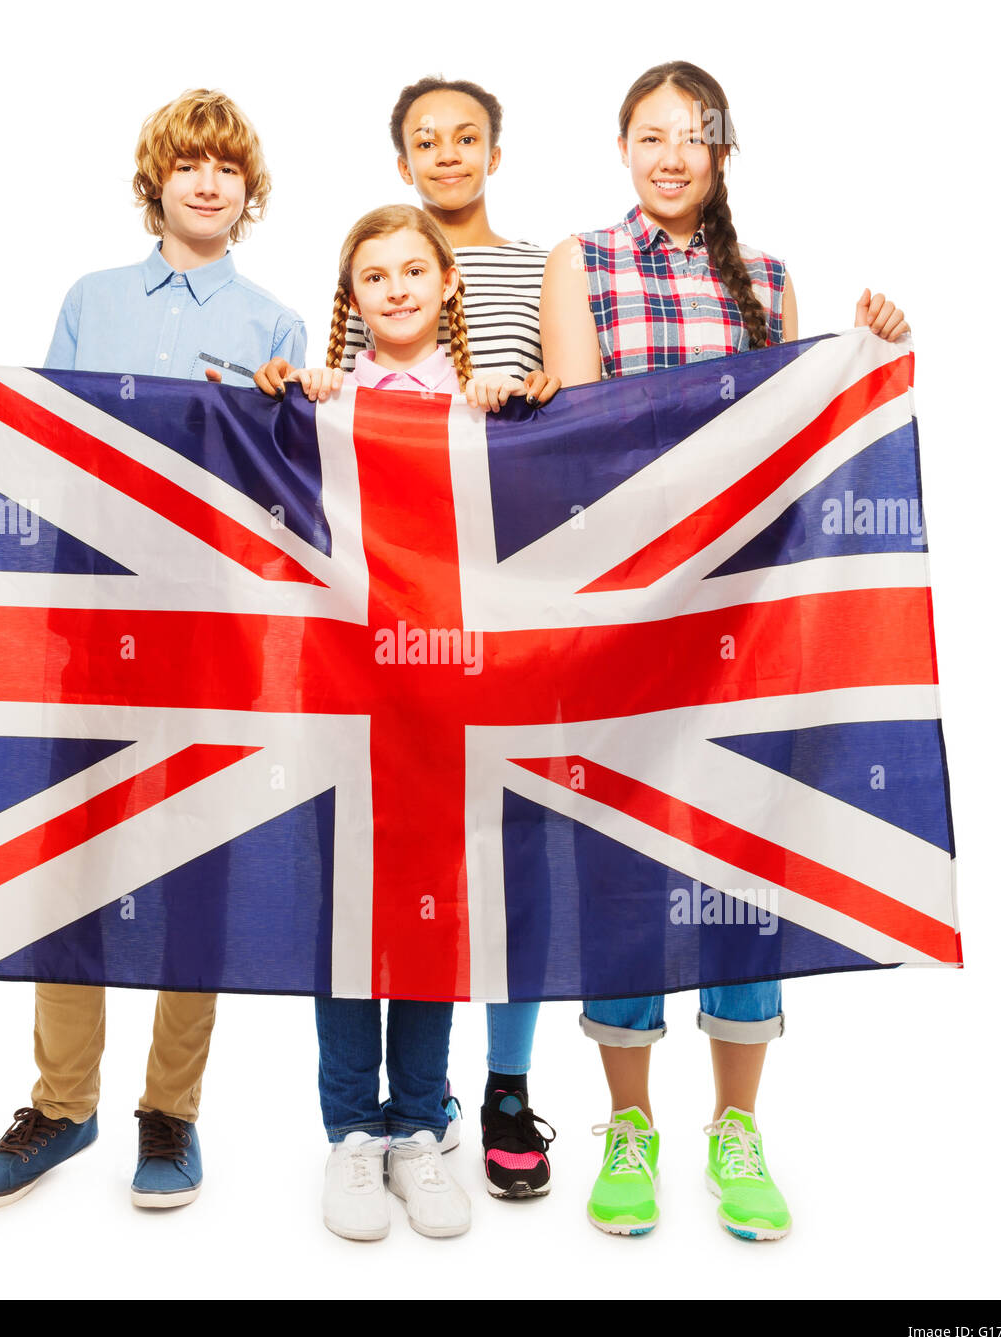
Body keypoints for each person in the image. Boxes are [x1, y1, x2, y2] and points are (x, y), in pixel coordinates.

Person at [540, 59, 909, 1241]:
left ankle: (735, 1127)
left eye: (692, 137)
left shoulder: (769, 280)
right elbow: (578, 445)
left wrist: (856, 355)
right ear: (622, 147)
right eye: (650, 135)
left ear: (721, 153)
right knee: (625, 857)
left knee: (744, 855)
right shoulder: (579, 264)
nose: (670, 155)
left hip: (737, 622)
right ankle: (631, 1124)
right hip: (621, 615)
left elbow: (781, 449)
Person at [0, 87, 306, 1213]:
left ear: (248, 194)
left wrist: (275, 419)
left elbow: (287, 499)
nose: (208, 183)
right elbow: (45, 449)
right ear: (157, 180)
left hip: (212, 631)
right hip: (94, 629)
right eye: (189, 165)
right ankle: (61, 1104)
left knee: (194, 861)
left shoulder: (275, 328)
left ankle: (171, 1110)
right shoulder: (90, 301)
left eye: (227, 170)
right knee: (76, 861)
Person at [262, 77, 561, 1198]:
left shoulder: (479, 399)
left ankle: (426, 1122)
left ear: (446, 285)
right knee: (346, 902)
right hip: (349, 685)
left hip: (452, 691)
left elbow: (534, 498)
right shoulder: (326, 402)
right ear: (349, 296)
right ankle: (351, 1133)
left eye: (411, 273)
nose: (395, 288)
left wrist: (515, 413)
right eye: (371, 278)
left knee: (433, 901)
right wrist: (296, 395)